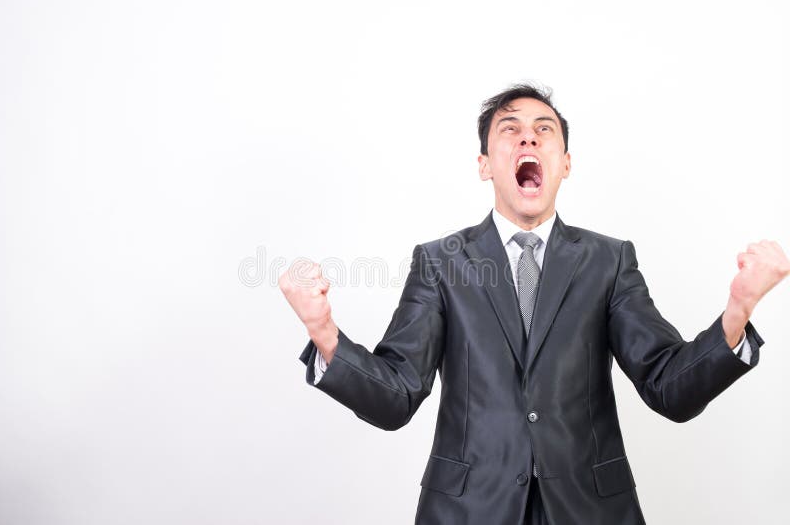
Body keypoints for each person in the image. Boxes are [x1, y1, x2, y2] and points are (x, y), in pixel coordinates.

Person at [278, 84, 789, 524]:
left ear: (564, 163)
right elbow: (397, 395)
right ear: (484, 164)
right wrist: (325, 333)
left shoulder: (609, 261)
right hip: (468, 510)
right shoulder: (440, 263)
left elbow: (667, 386)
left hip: (590, 510)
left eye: (544, 130)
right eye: (510, 129)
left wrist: (736, 314)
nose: (528, 137)